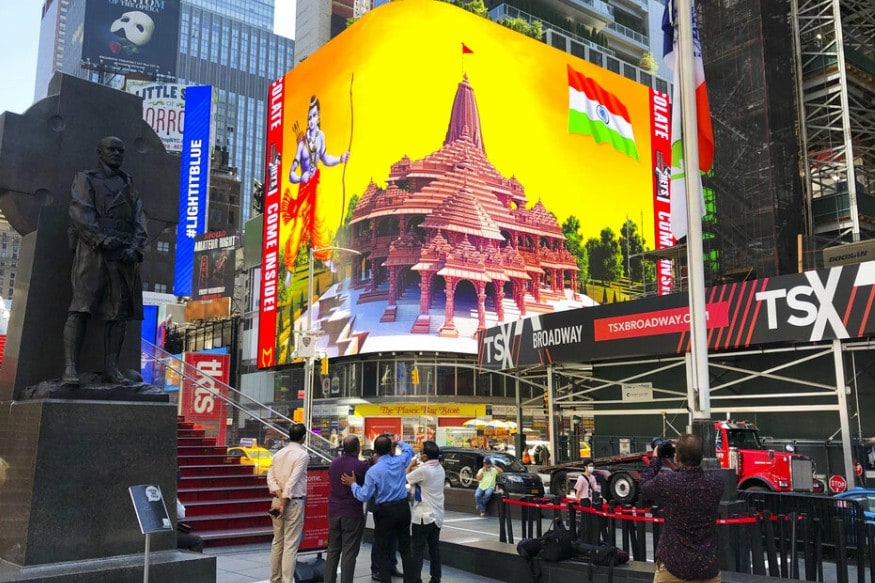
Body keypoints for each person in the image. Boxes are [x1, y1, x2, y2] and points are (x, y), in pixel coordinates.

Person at [63, 136, 148, 384]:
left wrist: (135, 247)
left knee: (119, 314)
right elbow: (79, 211)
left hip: (124, 256)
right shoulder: (86, 178)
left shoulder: (128, 184)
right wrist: (99, 239)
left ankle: (112, 368)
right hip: (94, 252)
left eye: (121, 150)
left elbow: (141, 219)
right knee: (80, 308)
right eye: (112, 149)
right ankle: (70, 368)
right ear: (99, 152)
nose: (117, 154)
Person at [639, 434, 724, 583]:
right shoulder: (716, 482)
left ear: (677, 457)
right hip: (707, 568)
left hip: (672, 568)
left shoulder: (668, 482)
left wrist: (655, 459)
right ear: (701, 457)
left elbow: (644, 486)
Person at [282, 95, 350, 269]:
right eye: (309, 117)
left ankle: (325, 256)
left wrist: (341, 159)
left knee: (319, 220)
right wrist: (300, 178)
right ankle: (289, 265)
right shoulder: (301, 143)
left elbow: (325, 158)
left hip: (316, 185)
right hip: (304, 187)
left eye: (314, 116)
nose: (311, 120)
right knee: (298, 225)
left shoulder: (321, 136)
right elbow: (291, 174)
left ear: (319, 116)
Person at [341, 434, 415, 583]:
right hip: (403, 508)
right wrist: (398, 441)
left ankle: (385, 580)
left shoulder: (373, 471)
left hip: (386, 511)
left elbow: (363, 496)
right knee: (406, 548)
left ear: (375, 451)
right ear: (391, 448)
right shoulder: (400, 461)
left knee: (382, 550)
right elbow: (409, 450)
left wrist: (353, 484)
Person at [267, 423, 310, 583]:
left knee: (277, 541)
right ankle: (287, 580)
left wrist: (279, 497)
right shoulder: (302, 455)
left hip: (277, 501)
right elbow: (293, 481)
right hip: (293, 502)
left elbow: (270, 477)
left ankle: (275, 579)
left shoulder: (278, 454)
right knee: (290, 544)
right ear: (303, 437)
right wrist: (284, 502)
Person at [325, 435, 370, 583]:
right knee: (349, 553)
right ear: (358, 448)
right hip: (352, 512)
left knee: (332, 551)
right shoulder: (361, 466)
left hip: (334, 511)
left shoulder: (333, 464)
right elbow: (367, 486)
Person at [406, 441, 445, 583]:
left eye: (421, 452)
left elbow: (406, 477)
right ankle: (436, 577)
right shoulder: (440, 468)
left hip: (423, 516)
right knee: (434, 549)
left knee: (417, 550)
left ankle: (415, 579)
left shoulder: (423, 470)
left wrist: (410, 465)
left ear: (424, 456)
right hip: (437, 516)